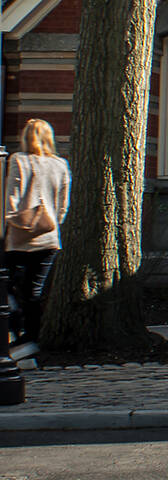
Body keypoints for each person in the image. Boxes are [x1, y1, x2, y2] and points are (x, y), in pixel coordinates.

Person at [3, 119, 71, 360]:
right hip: (48, 238)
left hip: (20, 238)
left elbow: (11, 198)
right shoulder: (60, 164)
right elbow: (63, 206)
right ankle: (30, 340)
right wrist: (49, 223)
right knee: (34, 291)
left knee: (6, 286)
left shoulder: (19, 160)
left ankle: (15, 332)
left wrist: (17, 223)